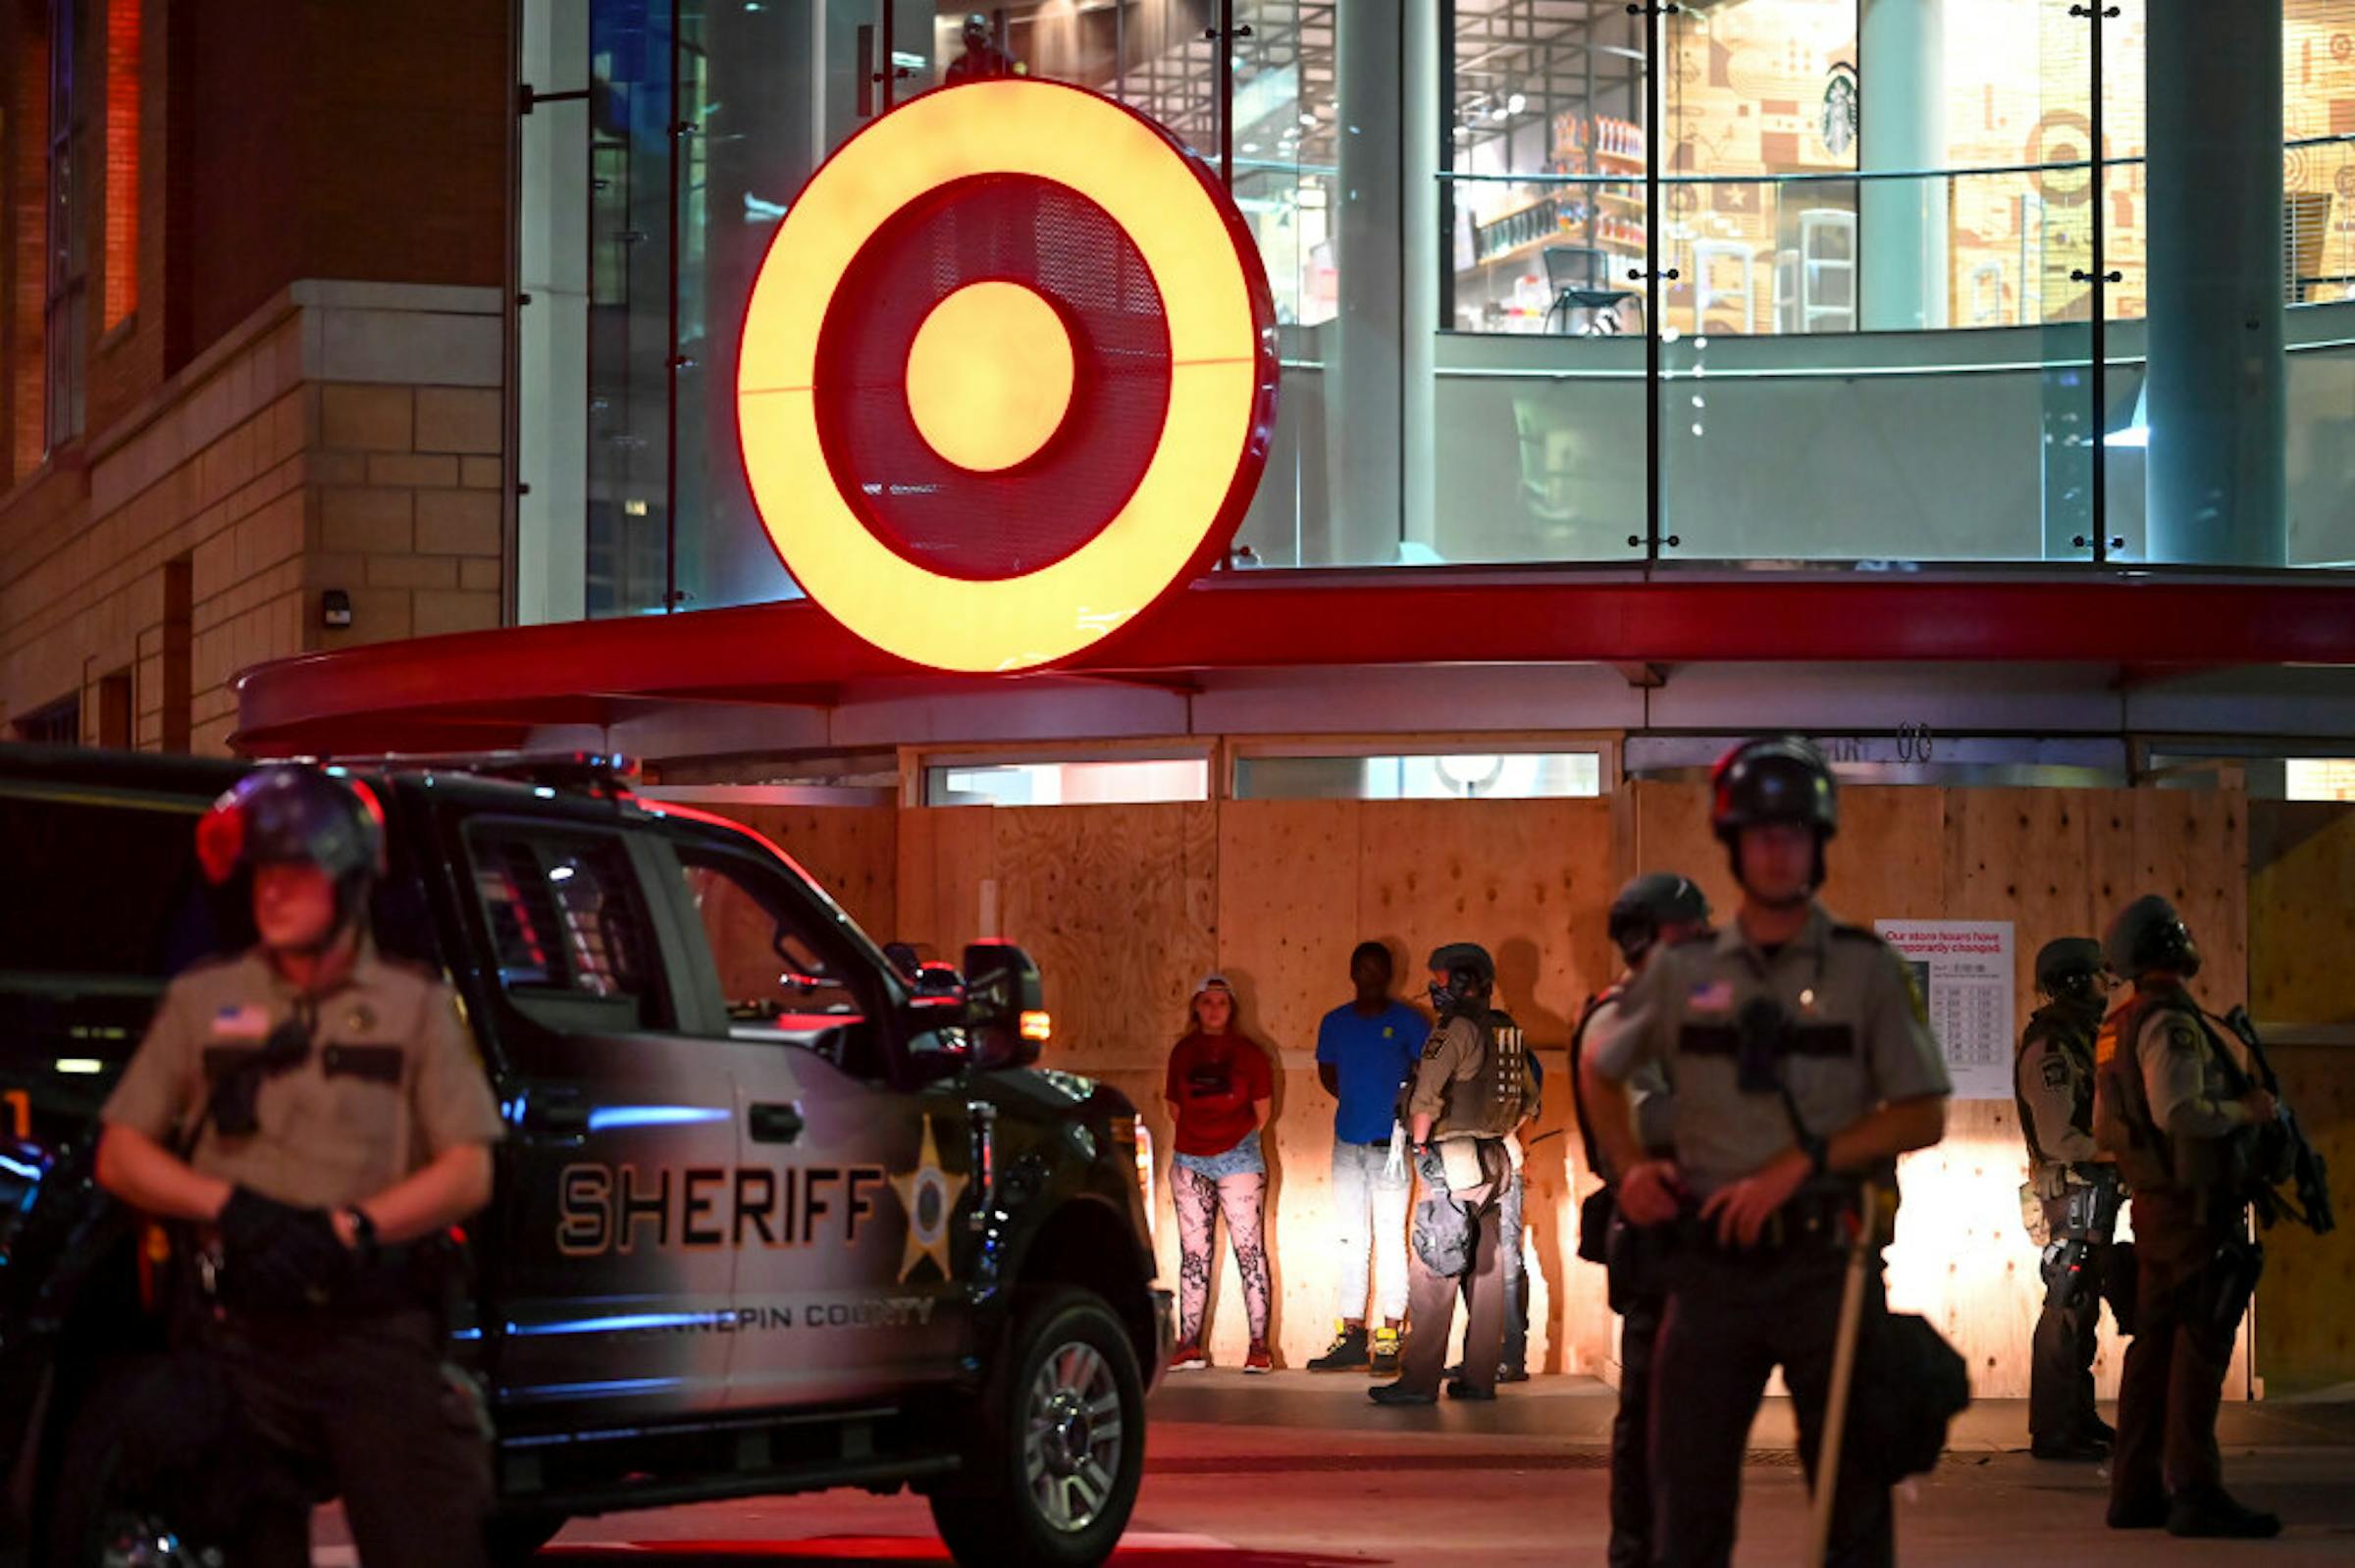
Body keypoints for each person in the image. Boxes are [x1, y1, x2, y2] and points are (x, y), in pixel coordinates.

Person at [92, 765, 504, 1567]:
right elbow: (122, 1154)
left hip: (375, 1336)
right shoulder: (204, 1000)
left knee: (430, 1539)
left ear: (347, 883)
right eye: (260, 876)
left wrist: (351, 1227)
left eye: (293, 874)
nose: (270, 894)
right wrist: (229, 1207)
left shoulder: (412, 1005)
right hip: (238, 1342)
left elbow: (467, 1170)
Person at [1580, 737, 1951, 1568]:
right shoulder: (1684, 973)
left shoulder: (1867, 972)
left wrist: (1802, 1164)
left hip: (1830, 1267)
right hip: (1709, 1272)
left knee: (1854, 1514)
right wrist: (1632, 1166)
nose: (1778, 849)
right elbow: (1600, 1066)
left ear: (1818, 844)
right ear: (1735, 844)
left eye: (1794, 832)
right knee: (1690, 1511)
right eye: (1760, 833)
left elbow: (1922, 1112)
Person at [2095, 895, 2281, 1539]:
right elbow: (2179, 1111)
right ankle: (2195, 1492)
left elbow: (2104, 1127)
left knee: (2153, 1349)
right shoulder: (2170, 1021)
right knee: (2199, 1346)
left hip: (2155, 1209)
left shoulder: (2116, 1024)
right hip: (2192, 1210)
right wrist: (2246, 1113)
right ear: (2167, 946)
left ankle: (2136, 1490)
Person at [1573, 870, 1712, 1568]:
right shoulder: (1625, 1019)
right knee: (1656, 1418)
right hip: (1661, 1234)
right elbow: (1649, 1120)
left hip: (1696, 1239)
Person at [1370, 943, 1534, 1406]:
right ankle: (1480, 1378)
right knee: (1485, 1272)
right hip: (1497, 1160)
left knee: (1434, 1270)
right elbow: (1528, 1099)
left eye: (1440, 980)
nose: (1436, 988)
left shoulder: (1454, 1029)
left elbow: (1426, 1095)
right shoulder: (1507, 1029)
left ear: (1459, 982)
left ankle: (1418, 1381)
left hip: (1454, 1162)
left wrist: (1420, 1143)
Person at [2015, 934, 2123, 1461]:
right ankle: (2056, 1431)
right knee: (2066, 1302)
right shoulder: (2053, 1046)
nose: (2109, 985)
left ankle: (2077, 1418)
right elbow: (2062, 1137)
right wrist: (2128, 1147)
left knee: (2079, 1309)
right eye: (2101, 976)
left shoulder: (2081, 1036)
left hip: (2091, 1190)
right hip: (2073, 1191)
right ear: (2079, 980)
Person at [1306, 942, 1424, 1376]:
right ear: (1352, 972)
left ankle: (1391, 1334)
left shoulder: (1409, 1022)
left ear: (1389, 973)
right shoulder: (1334, 1023)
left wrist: (1392, 1111)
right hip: (1347, 1142)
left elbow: (1424, 1076)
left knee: (1392, 1237)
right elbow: (1328, 1074)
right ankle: (1353, 1333)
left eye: (1378, 969)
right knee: (1351, 1238)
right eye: (1363, 969)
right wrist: (1360, 1102)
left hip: (1391, 1145)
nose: (1370, 976)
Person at [1164, 974, 1276, 1373]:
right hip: (1190, 1157)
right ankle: (1188, 1343)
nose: (1213, 1009)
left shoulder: (1249, 1054)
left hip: (1238, 1156)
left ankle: (1259, 1347)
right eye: (1207, 1002)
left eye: (1222, 1003)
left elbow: (1261, 1112)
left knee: (1249, 1250)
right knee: (1193, 1253)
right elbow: (1174, 1107)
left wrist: (1230, 1140)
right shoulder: (1183, 1052)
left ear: (1231, 1009)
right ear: (1196, 1006)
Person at [945, 11, 1025, 83]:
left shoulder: (1001, 58)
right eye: (969, 30)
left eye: (977, 29)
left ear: (986, 33)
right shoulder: (957, 66)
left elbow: (1022, 73)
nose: (973, 33)